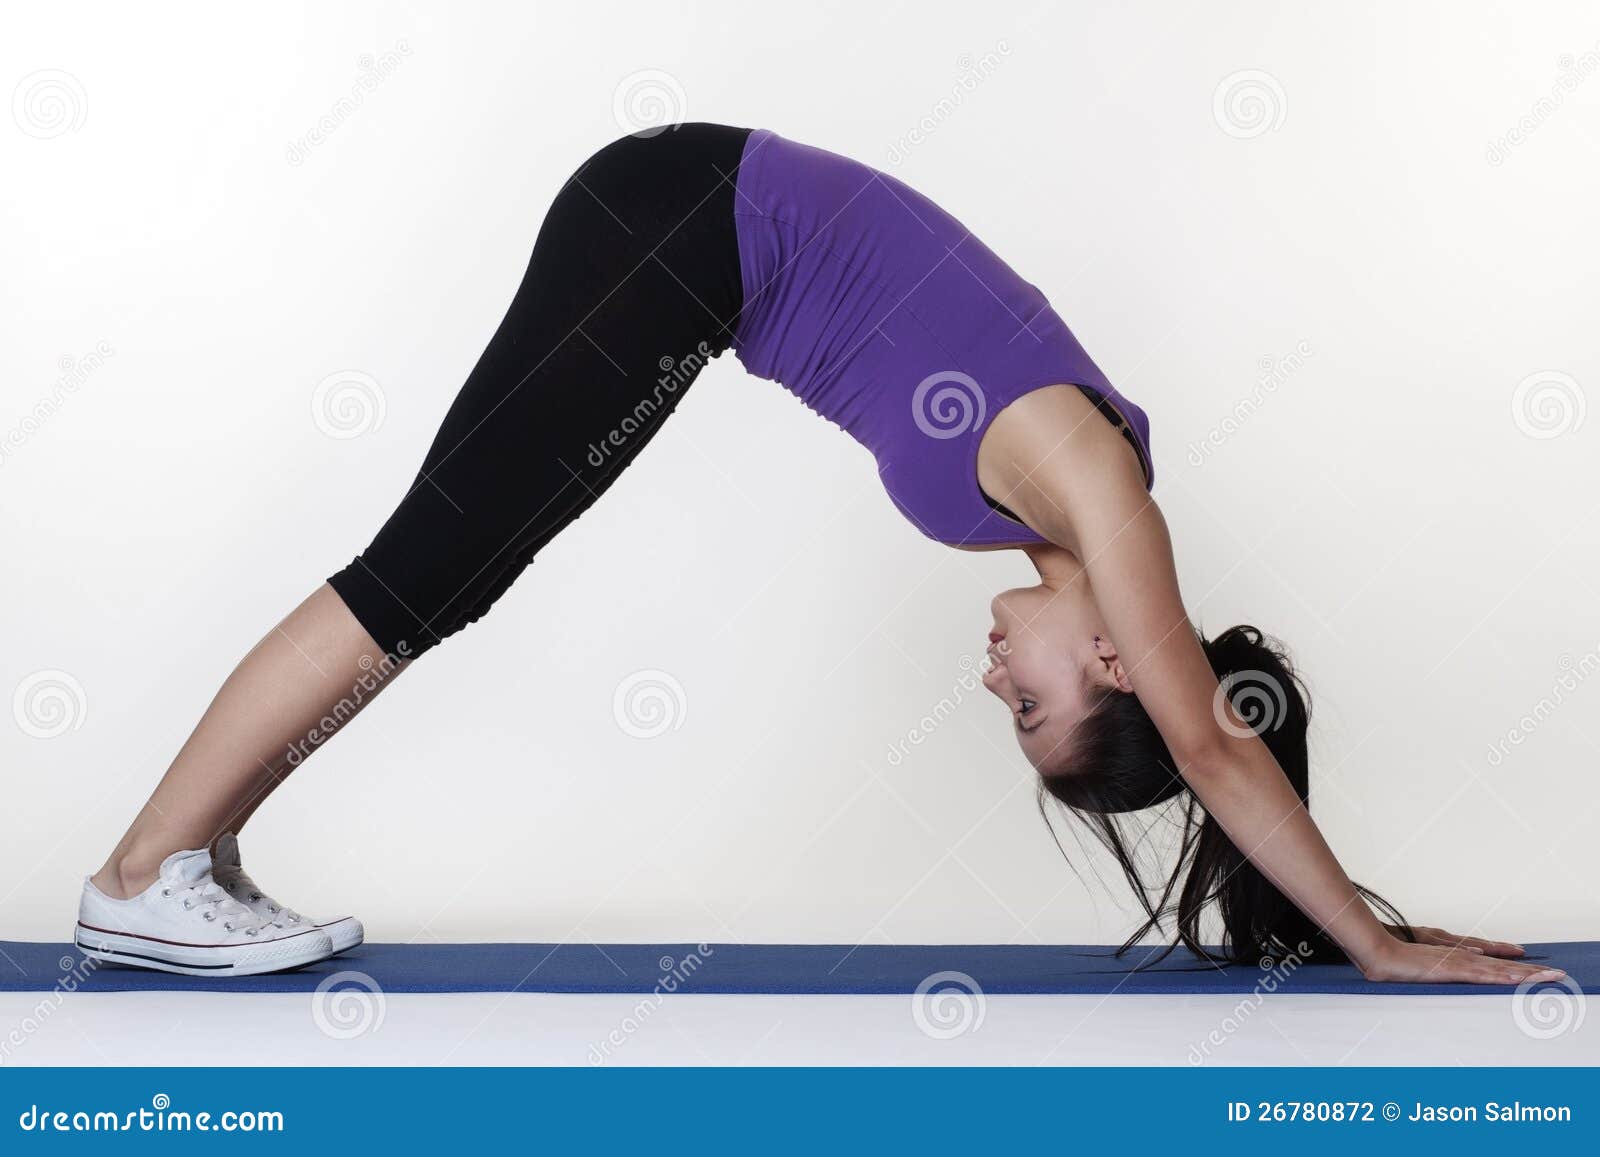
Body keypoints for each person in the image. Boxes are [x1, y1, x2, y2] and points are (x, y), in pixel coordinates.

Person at [76, 124, 1564, 985]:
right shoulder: (1105, 489)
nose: (998, 690)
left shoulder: (1052, 511)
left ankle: (188, 859)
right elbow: (1213, 743)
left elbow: (1195, 732)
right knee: (435, 570)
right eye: (1038, 708)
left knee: (450, 570)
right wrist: (1378, 944)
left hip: (679, 240)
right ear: (1121, 655)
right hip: (681, 229)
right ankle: (148, 871)